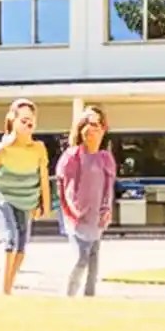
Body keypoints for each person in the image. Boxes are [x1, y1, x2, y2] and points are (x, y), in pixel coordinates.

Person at [0, 98, 52, 295]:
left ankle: (8, 287)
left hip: (26, 201)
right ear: (12, 121)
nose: (28, 124)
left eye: (31, 121)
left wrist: (46, 206)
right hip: (2, 198)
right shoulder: (1, 148)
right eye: (23, 120)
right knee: (10, 241)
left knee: (22, 248)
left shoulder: (39, 148)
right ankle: (4, 291)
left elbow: (43, 178)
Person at [56, 105, 117, 297]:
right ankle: (69, 296)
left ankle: (89, 298)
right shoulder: (72, 156)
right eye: (92, 124)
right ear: (82, 128)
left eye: (100, 124)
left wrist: (106, 209)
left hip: (96, 217)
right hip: (76, 217)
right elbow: (63, 187)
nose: (97, 128)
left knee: (93, 261)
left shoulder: (105, 158)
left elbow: (108, 187)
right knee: (80, 258)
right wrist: (73, 212)